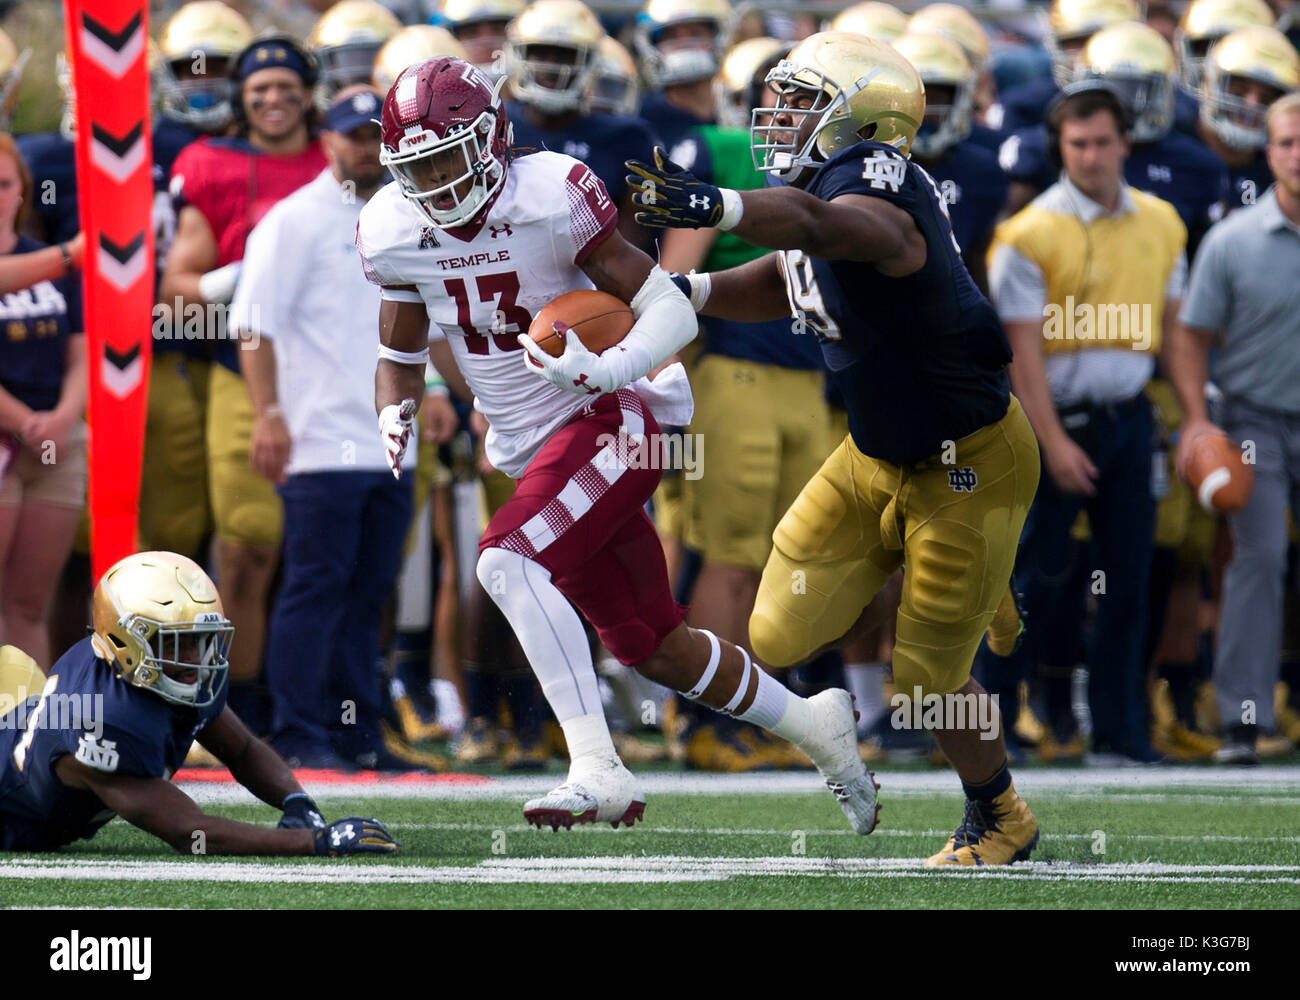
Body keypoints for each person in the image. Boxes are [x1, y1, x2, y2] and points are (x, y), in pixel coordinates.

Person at [359, 55, 877, 832]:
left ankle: (597, 767)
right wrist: (397, 405)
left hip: (620, 417)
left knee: (507, 559)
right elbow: (400, 349)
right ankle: (818, 727)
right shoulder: (390, 227)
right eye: (417, 164)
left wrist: (606, 369)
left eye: (446, 156)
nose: (433, 179)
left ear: (493, 137)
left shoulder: (553, 193)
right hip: (534, 442)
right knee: (652, 645)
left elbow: (668, 306)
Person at [626, 31, 1041, 865]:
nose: (776, 117)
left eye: (800, 102)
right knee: (777, 634)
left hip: (970, 463)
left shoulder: (877, 192)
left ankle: (999, 815)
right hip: (876, 454)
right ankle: (974, 587)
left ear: (860, 120)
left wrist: (720, 206)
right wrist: (689, 291)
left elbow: (824, 227)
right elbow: (789, 276)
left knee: (925, 686)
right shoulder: (819, 196)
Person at [233, 86, 450, 771]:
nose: (364, 148)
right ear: (324, 138)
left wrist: (439, 388)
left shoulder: (407, 216)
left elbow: (427, 313)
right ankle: (298, 730)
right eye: (352, 135)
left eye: (373, 136)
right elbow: (252, 323)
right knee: (315, 586)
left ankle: (358, 733)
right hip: (321, 438)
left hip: (390, 438)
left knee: (368, 594)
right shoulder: (292, 221)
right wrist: (268, 414)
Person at [985, 82, 1186, 764]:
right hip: (1051, 420)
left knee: (1129, 579)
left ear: (1125, 142)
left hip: (1129, 418)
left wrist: (1196, 418)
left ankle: (1120, 730)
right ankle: (998, 721)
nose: (1092, 156)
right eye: (1078, 144)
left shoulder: (1162, 221)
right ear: (1059, 148)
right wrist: (1055, 440)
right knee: (1027, 577)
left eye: (1103, 142)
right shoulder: (1027, 232)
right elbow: (1021, 352)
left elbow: (1177, 329)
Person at [0, 552, 397, 855]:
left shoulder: (147, 672)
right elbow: (189, 830)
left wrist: (297, 802)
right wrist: (316, 842)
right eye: (176, 642)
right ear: (124, 642)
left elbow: (241, 748)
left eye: (198, 640)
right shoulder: (105, 722)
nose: (193, 658)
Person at [161, 35, 328, 733]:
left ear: (309, 94)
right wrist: (240, 275)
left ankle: (331, 708)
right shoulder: (211, 163)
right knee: (248, 548)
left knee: (334, 559)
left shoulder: (341, 155)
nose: (273, 98)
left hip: (335, 373)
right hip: (244, 367)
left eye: (287, 85)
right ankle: (234, 712)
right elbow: (176, 292)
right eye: (259, 88)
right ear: (242, 98)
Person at [1167, 93, 1300, 763]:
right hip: (1256, 422)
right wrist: (1195, 420)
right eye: (1286, 142)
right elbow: (1189, 338)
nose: (1297, 154)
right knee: (1259, 559)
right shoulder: (1232, 240)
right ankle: (1244, 719)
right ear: (1268, 151)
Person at [141, 1, 256, 563]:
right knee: (173, 518)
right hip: (163, 343)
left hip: (242, 349)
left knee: (245, 518)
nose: (205, 81)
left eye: (219, 68)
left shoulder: (262, 144)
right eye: (193, 68)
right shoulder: (138, 145)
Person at [0, 135, 85, 672]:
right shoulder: (58, 260)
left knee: (29, 604)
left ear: (22, 192)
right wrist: (24, 421)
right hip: (9, 437)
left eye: (4, 184)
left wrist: (62, 417)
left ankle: (30, 729)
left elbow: (82, 351)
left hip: (59, 442)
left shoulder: (47, 262)